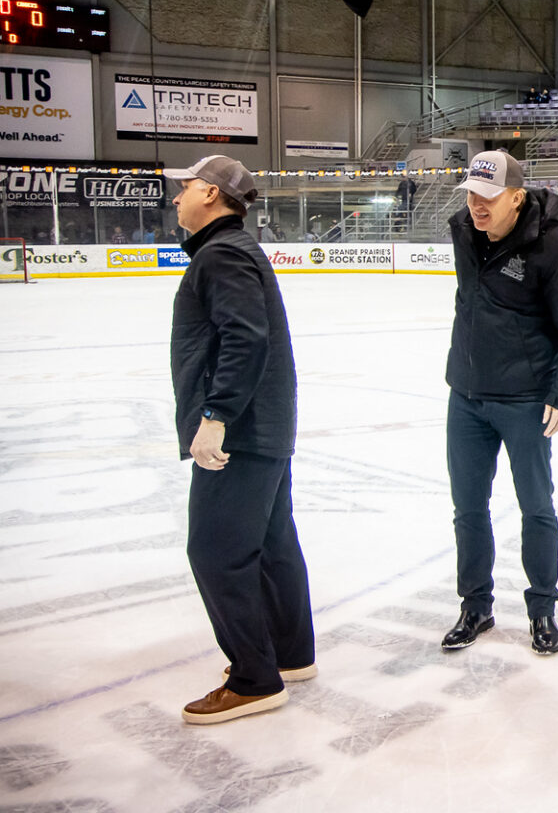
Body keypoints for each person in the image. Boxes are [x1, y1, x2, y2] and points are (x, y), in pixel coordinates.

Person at [162, 155, 314, 725]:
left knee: (216, 552)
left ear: (212, 194)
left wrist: (217, 415)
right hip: (265, 426)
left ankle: (254, 677)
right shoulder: (232, 250)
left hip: (241, 434)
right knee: (272, 544)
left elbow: (244, 340)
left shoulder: (222, 253)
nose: (177, 197)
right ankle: (291, 653)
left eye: (186, 187)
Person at [440, 150, 558, 655]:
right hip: (465, 396)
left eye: (487, 197)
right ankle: (475, 605)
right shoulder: (464, 230)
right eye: (470, 194)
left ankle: (542, 609)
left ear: (516, 197)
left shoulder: (551, 246)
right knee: (468, 509)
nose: (476, 206)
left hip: (525, 401)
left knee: (536, 507)